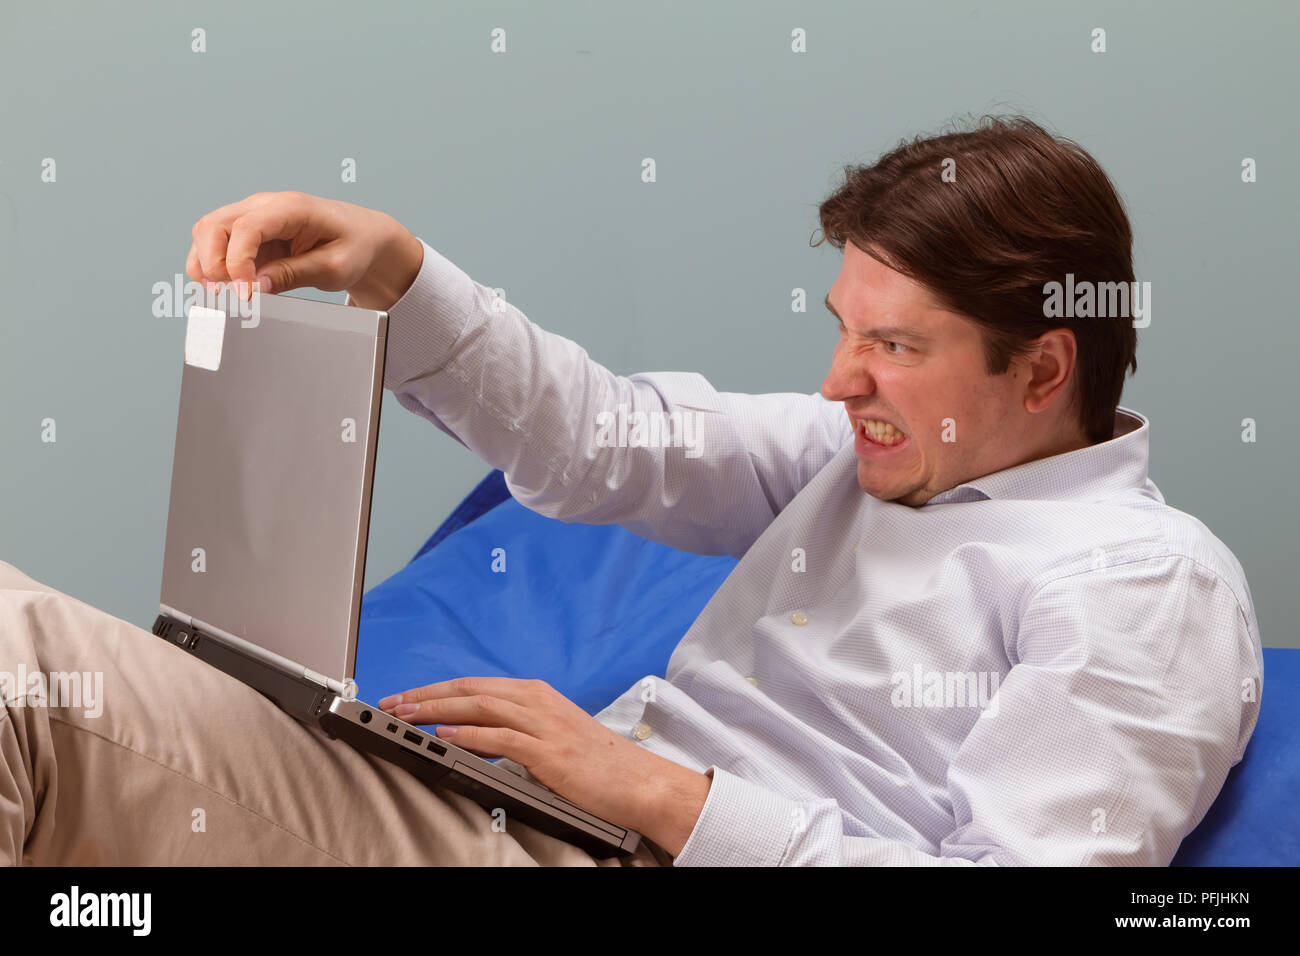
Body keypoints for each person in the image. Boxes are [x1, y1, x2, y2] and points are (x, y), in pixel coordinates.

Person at [0, 116, 1261, 866]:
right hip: (537, 819)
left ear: (1044, 367)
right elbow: (604, 436)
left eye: (894, 347)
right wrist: (395, 268)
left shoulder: (1142, 584)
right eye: (843, 329)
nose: (839, 381)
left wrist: (660, 792)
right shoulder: (864, 458)